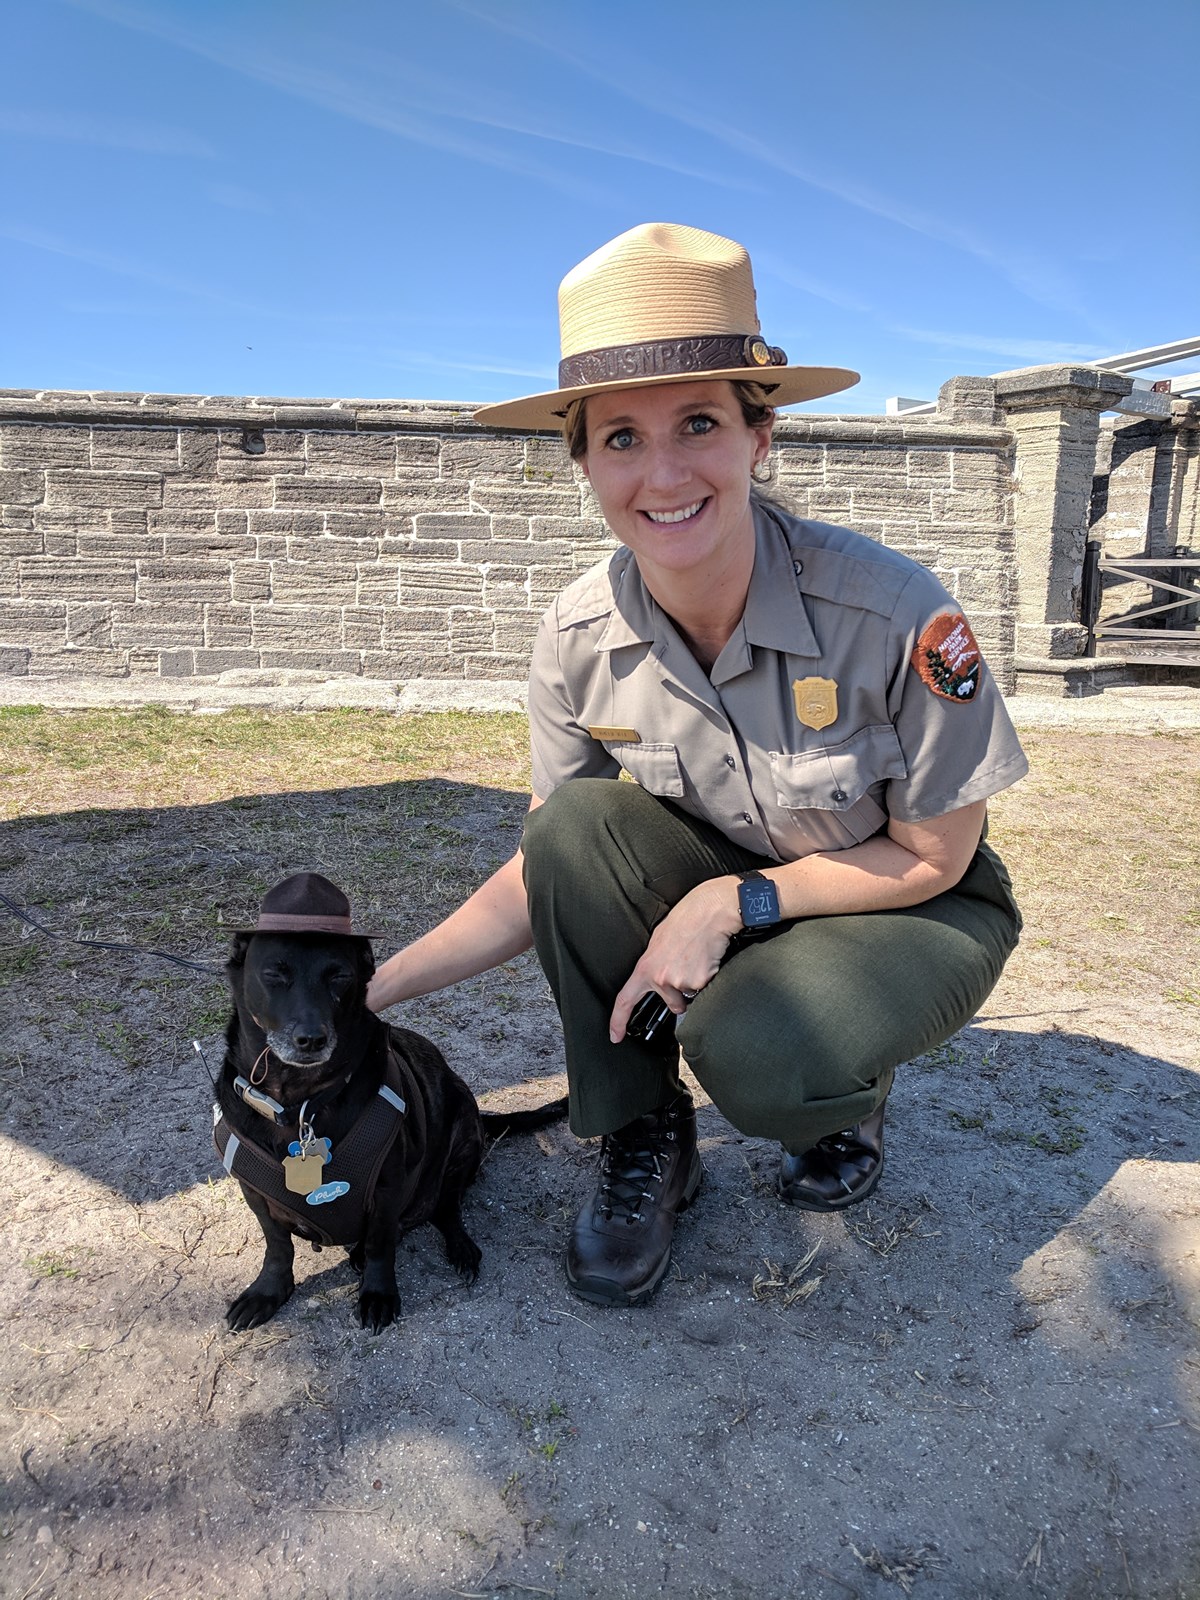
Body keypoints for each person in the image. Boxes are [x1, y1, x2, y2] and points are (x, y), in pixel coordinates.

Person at [366, 222, 1027, 1308]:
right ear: (581, 459)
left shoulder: (897, 612)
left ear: (761, 436)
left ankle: (838, 1095)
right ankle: (642, 1135)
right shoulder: (578, 636)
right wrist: (375, 988)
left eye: (701, 423)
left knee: (755, 1049)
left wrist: (733, 898)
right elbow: (552, 869)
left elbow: (936, 853)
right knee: (572, 827)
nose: (661, 473)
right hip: (746, 886)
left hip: (913, 900)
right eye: (620, 437)